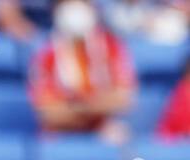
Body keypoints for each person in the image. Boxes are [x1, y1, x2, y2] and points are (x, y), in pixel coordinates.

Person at [28, 0, 137, 139]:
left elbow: (123, 99)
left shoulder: (111, 47)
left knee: (120, 136)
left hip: (100, 127)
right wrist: (92, 107)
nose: (75, 8)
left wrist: (78, 106)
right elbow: (47, 112)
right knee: (45, 143)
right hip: (58, 131)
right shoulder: (44, 53)